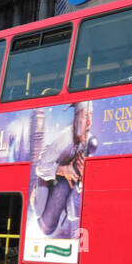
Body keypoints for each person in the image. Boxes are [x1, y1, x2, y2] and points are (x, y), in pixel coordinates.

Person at [33, 101, 95, 237]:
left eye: (91, 115)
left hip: (67, 201)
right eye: (86, 116)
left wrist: (83, 175)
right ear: (77, 118)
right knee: (47, 225)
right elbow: (41, 168)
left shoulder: (88, 142)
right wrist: (64, 170)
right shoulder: (64, 138)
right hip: (46, 192)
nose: (89, 122)